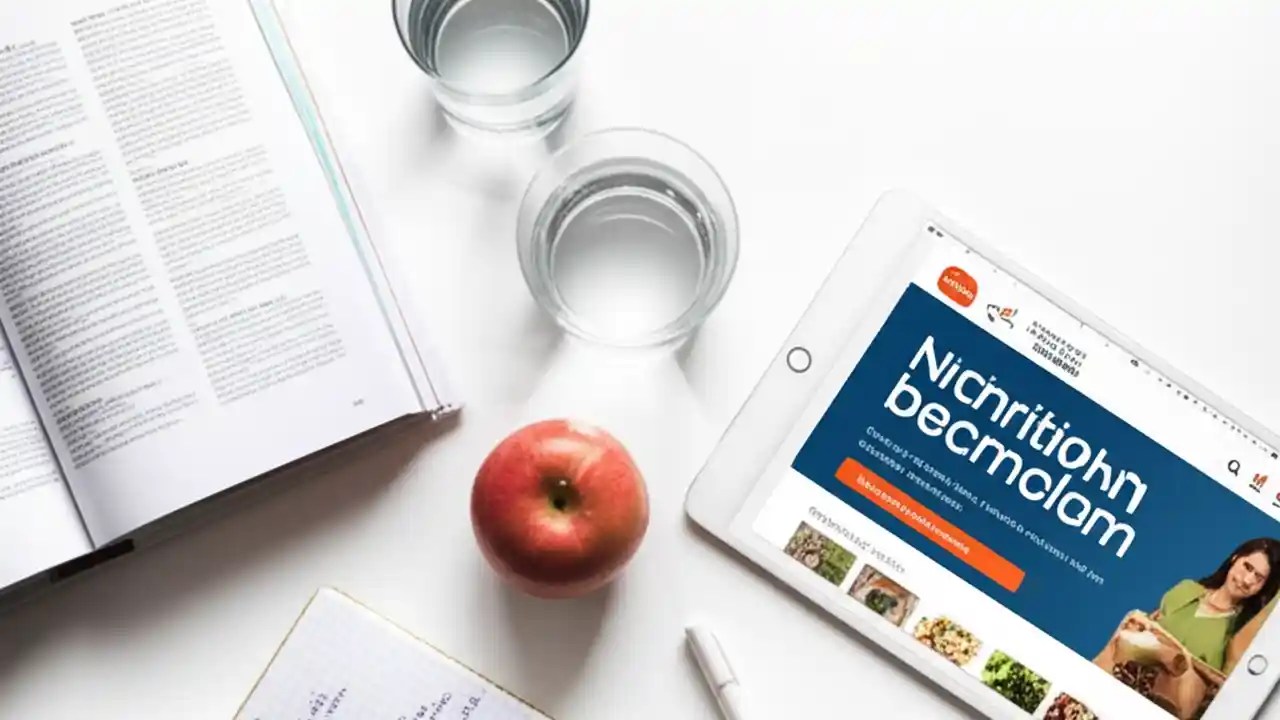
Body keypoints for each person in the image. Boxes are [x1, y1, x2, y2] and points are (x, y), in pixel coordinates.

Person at [1151, 537, 1280, 671]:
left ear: (1263, 588)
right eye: (1247, 567)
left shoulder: (1239, 634)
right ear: (1235, 558)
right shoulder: (1186, 590)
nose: (1247, 580)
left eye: (1258, 578)